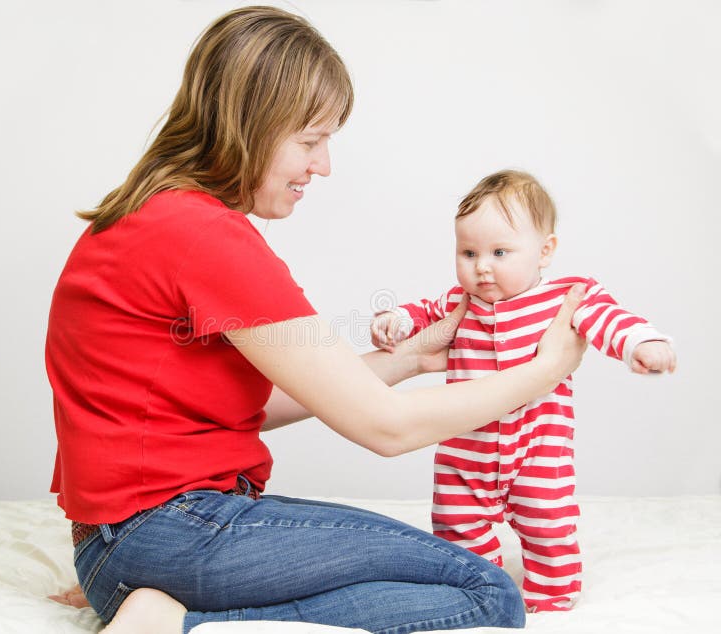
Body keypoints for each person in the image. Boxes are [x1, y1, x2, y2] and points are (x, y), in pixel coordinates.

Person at [46, 8, 588, 633]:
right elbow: (387, 430)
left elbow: (250, 405)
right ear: (250, 125)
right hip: (172, 531)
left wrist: (411, 356)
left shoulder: (142, 216)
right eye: (309, 140)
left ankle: (150, 602)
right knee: (487, 593)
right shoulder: (205, 237)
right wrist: (545, 371)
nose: (323, 165)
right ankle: (182, 624)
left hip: (114, 545)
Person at [371, 169, 676, 613]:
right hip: (465, 450)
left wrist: (640, 344)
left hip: (537, 448)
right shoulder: (461, 301)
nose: (482, 266)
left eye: (499, 252)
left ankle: (552, 598)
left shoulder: (564, 298)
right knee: (456, 525)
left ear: (544, 251)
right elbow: (421, 314)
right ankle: (480, 586)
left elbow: (610, 318)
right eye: (468, 252)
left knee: (548, 523)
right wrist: (396, 321)